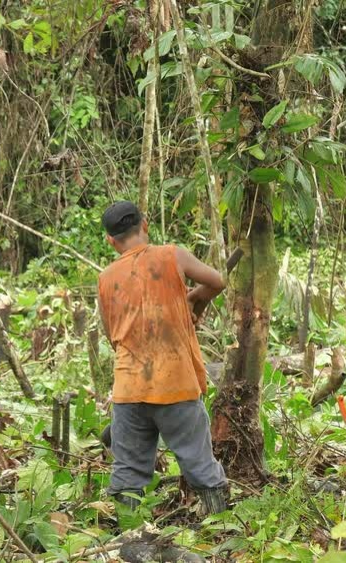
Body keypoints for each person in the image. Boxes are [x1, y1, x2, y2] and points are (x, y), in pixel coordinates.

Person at [97, 200, 228, 515]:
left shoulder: (106, 278)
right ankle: (222, 531)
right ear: (145, 225)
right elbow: (217, 281)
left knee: (128, 473)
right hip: (175, 386)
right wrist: (197, 297)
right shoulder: (173, 255)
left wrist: (189, 303)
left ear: (111, 241)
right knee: (200, 465)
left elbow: (111, 333)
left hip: (129, 391)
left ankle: (129, 538)